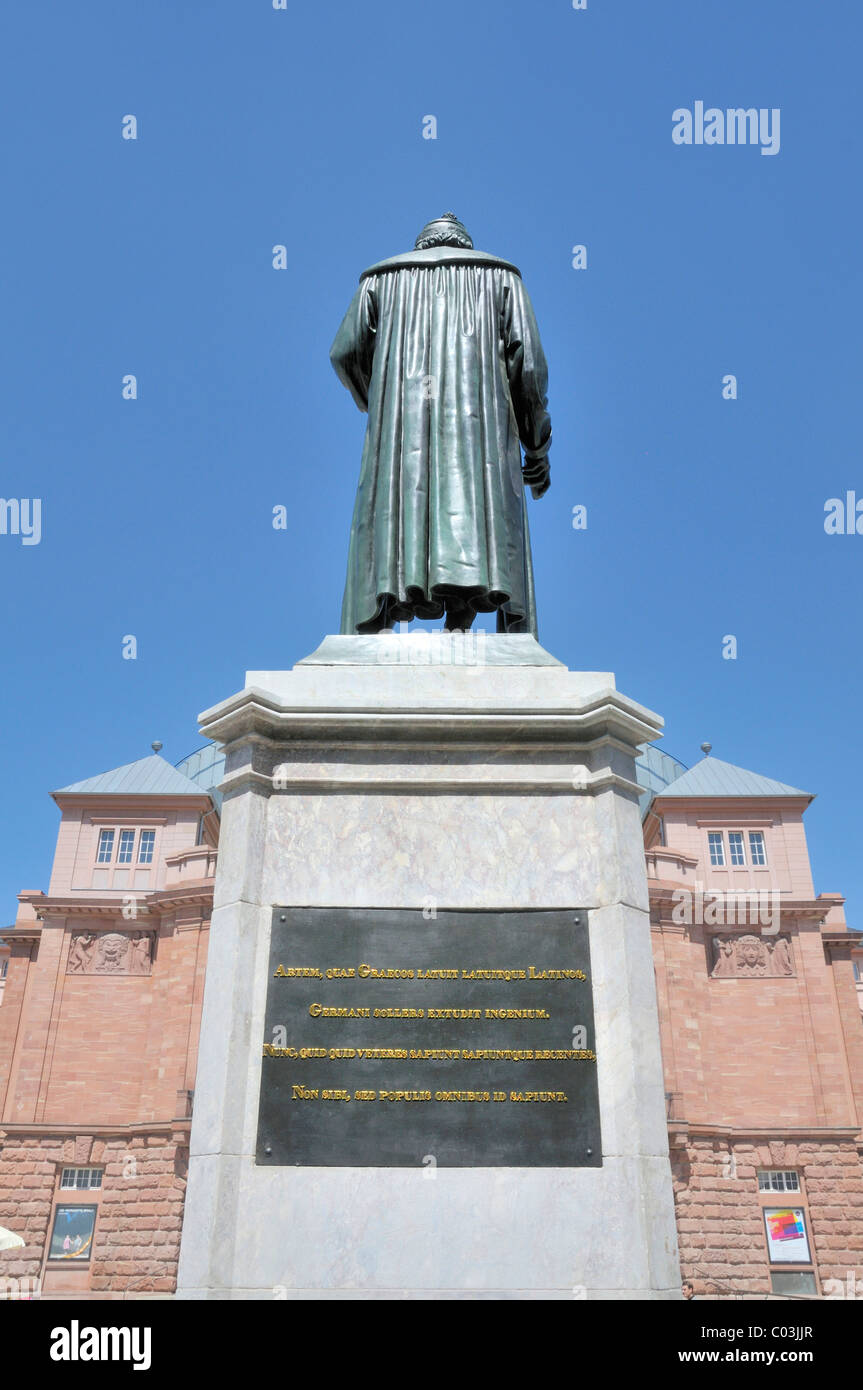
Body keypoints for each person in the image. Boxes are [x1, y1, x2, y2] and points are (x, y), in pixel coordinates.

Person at [331, 213, 552, 636]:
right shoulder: (502, 278)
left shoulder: (378, 281)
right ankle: (461, 616)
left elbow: (343, 352)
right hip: (480, 433)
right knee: (469, 500)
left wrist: (378, 400)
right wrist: (536, 446)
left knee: (402, 505)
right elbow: (530, 370)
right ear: (465, 245)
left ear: (422, 245)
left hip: (400, 431)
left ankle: (390, 609)